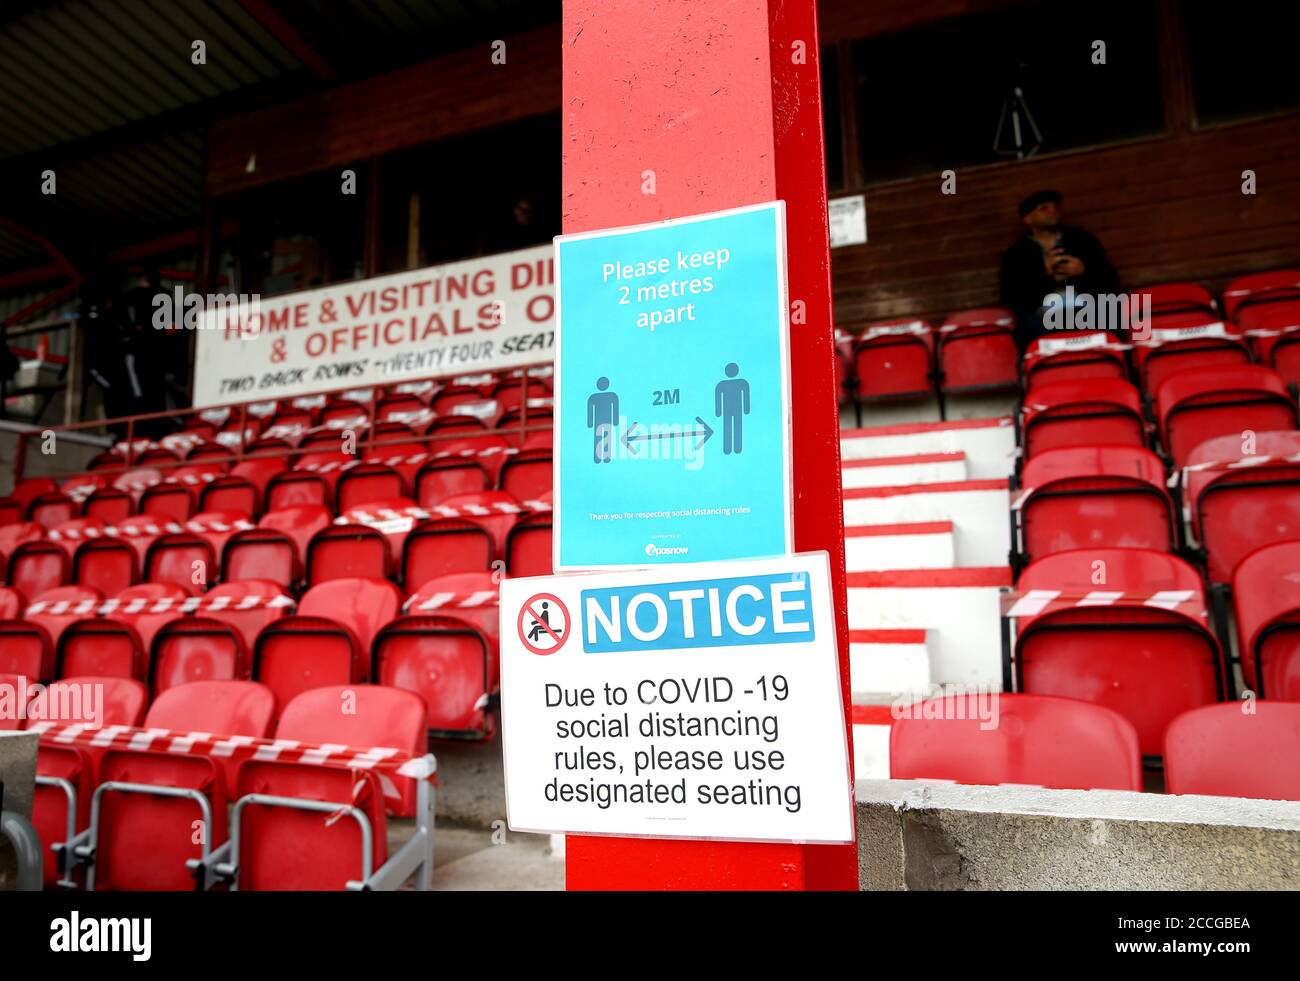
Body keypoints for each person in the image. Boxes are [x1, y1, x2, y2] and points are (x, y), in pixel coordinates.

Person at [999, 190, 1119, 351]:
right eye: (1044, 208)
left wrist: (1083, 270)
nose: (1053, 210)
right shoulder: (1017, 255)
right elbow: (1014, 299)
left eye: (1055, 206)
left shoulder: (1081, 239)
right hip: (1044, 315)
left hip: (1088, 306)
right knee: (1028, 327)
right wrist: (1045, 274)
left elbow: (1111, 280)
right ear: (1028, 219)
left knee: (1110, 312)